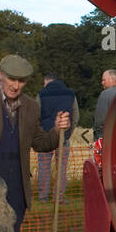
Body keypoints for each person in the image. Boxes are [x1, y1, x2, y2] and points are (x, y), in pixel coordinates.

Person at [0, 54, 70, 232]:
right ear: (1, 74)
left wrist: (57, 131)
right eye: (11, 79)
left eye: (21, 81)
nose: (16, 86)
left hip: (17, 188)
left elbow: (41, 143)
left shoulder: (31, 107)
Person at [37, 73, 79, 204]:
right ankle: (58, 197)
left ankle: (43, 197)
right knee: (61, 168)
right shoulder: (70, 94)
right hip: (63, 137)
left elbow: (35, 115)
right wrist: (67, 134)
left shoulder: (41, 94)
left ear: (47, 82)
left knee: (44, 167)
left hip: (45, 137)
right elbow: (76, 116)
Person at [92, 69, 116, 141]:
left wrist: (97, 138)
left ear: (112, 79)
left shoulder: (105, 94)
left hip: (106, 139)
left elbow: (100, 121)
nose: (102, 83)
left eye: (104, 80)